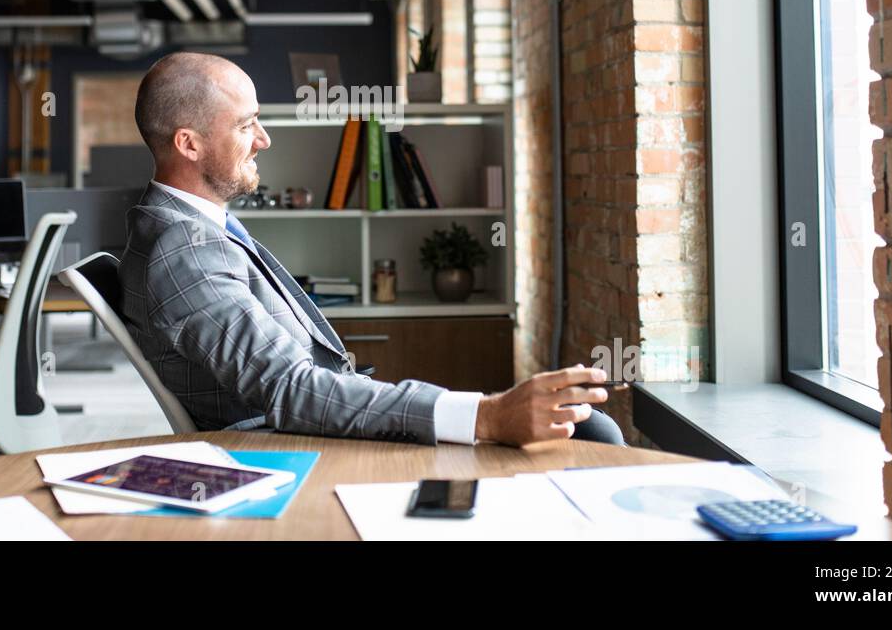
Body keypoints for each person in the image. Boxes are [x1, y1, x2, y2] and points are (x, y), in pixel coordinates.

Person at [119, 51, 625, 447]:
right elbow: (291, 391)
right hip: (295, 439)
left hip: (315, 420)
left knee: (589, 429)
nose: (265, 140)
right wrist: (488, 416)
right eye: (246, 125)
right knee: (592, 433)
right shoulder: (184, 251)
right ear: (189, 144)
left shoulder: (188, 226)